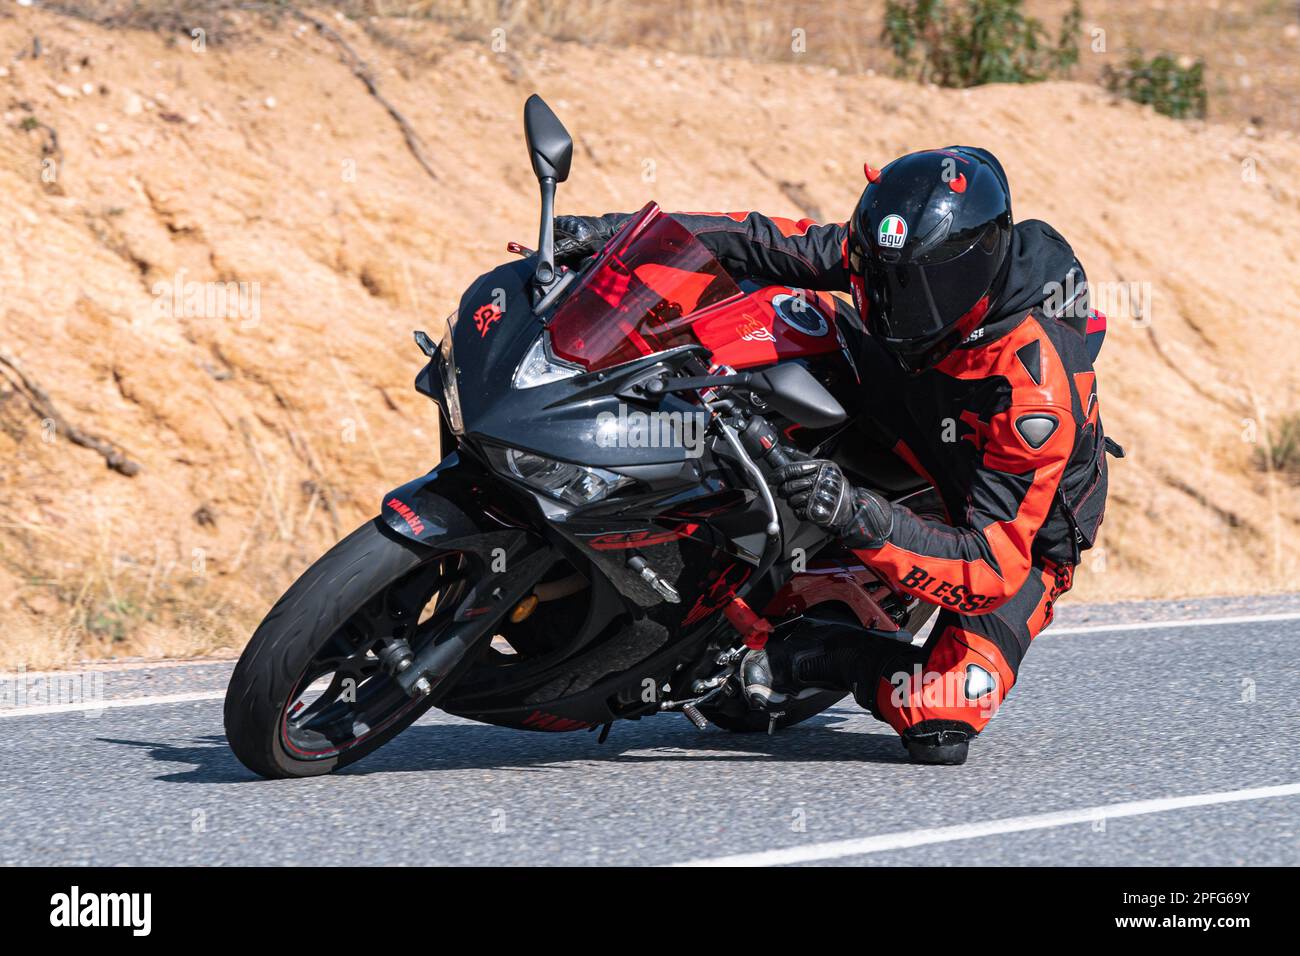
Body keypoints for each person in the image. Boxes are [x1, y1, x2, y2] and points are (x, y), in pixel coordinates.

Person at [554, 146, 1112, 765]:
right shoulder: (892, 258)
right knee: (771, 308)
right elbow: (760, 238)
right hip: (904, 403)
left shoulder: (1035, 391)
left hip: (1010, 530)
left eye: (920, 287)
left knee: (944, 708)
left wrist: (856, 514)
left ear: (976, 266)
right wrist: (615, 235)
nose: (897, 303)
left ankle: (818, 654)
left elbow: (991, 566)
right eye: (883, 277)